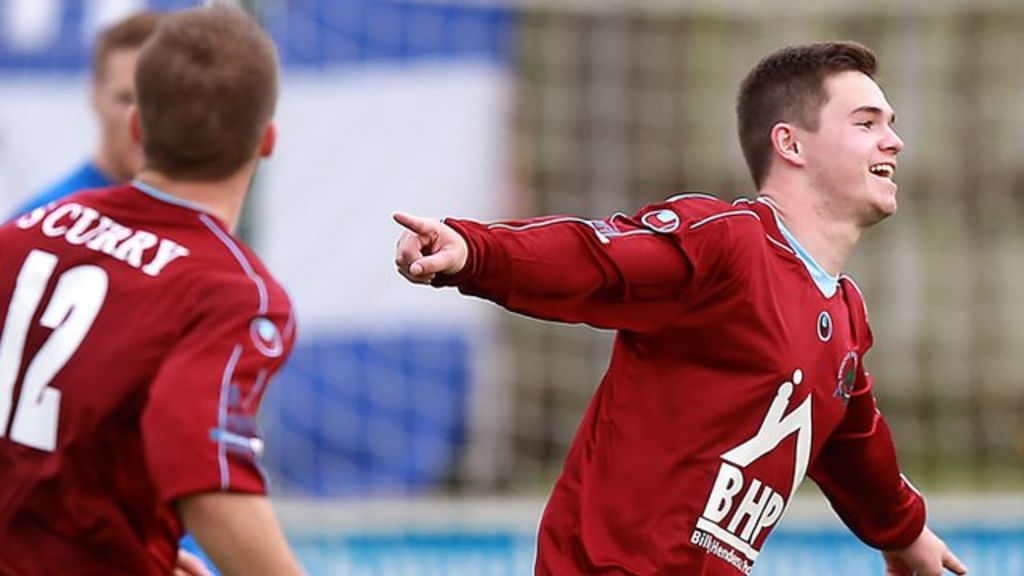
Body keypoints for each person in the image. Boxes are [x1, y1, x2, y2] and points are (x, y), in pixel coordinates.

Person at [395, 42, 968, 576]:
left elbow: (852, 437)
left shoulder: (844, 313)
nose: (893, 141)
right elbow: (597, 258)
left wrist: (904, 532)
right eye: (867, 123)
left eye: (890, 125)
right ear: (790, 144)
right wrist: (476, 250)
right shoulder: (730, 242)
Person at [0, 5, 303, 576]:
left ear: (139, 127)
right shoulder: (236, 294)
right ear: (267, 141)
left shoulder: (27, 232)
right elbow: (205, 473)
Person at [10, 11, 160, 218]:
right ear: (95, 96)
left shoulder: (208, 217)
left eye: (160, 99)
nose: (140, 119)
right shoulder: (44, 220)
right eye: (127, 100)